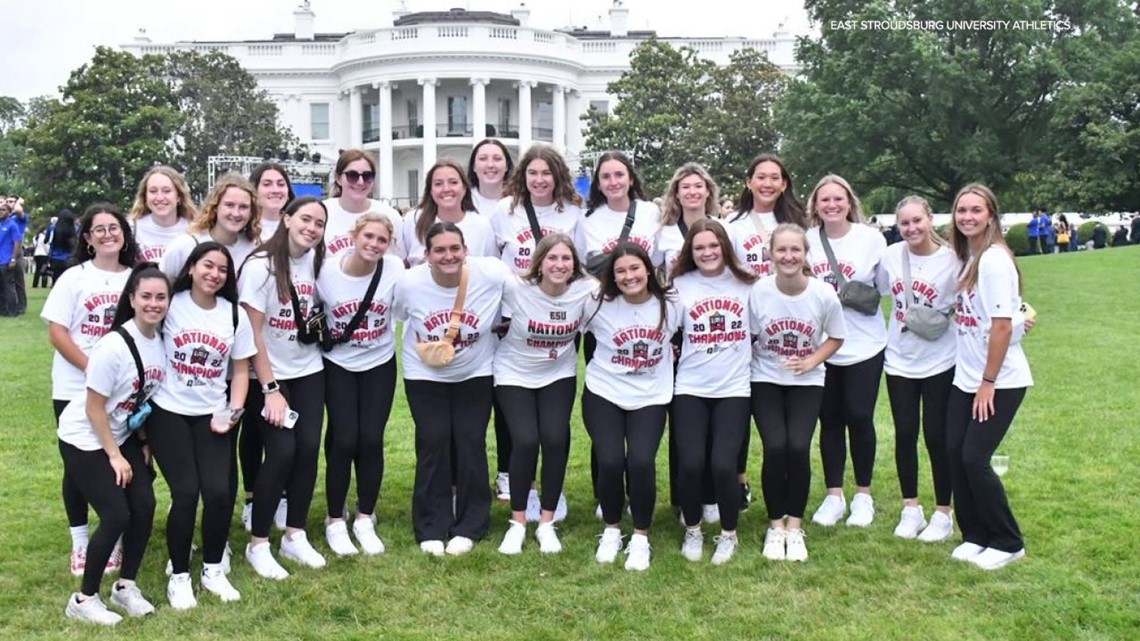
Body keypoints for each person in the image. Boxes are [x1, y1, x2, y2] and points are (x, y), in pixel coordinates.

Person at [148, 242, 256, 608]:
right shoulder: (170, 305)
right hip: (169, 411)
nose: (214, 274)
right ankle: (179, 575)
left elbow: (241, 370)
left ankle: (212, 569)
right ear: (192, 268)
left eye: (222, 270)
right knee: (185, 492)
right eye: (207, 266)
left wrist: (234, 411)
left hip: (212, 413)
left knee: (219, 492)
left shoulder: (233, 314)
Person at [59, 262, 169, 625]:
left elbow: (139, 400)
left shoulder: (160, 341)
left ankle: (126, 587)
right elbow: (93, 408)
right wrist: (114, 456)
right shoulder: (113, 345)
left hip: (121, 435)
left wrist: (142, 444)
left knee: (145, 504)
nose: (154, 303)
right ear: (132, 300)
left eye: (161, 297)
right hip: (84, 438)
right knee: (116, 514)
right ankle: (84, 598)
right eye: (146, 296)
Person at [393, 222, 511, 556]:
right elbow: (401, 314)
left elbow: (525, 290)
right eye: (440, 250)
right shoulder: (409, 282)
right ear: (427, 255)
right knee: (433, 442)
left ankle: (471, 525)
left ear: (465, 250)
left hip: (475, 372)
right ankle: (431, 524)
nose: (449, 256)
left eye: (455, 249)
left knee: (471, 442)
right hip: (425, 375)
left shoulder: (490, 274)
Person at [42, 203, 139, 577]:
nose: (107, 234)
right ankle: (81, 540)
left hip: (121, 392)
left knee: (113, 459)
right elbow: (57, 331)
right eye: (98, 229)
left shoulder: (134, 278)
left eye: (114, 228)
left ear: (124, 234)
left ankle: (112, 531)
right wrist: (93, 370)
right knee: (78, 464)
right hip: (74, 385)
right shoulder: (74, 278)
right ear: (87, 238)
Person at [490, 144, 585, 505]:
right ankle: (522, 487)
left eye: (547, 173)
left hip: (560, 318)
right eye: (533, 173)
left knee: (554, 423)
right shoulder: (505, 210)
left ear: (558, 175)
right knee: (520, 422)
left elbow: (582, 266)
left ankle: (552, 494)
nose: (540, 179)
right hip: (518, 315)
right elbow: (493, 263)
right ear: (522, 176)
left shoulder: (574, 212)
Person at [238, 197, 327, 579]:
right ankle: (258, 543)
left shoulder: (316, 261)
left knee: (308, 449)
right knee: (281, 452)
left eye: (319, 223)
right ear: (286, 219)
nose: (312, 228)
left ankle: (294, 534)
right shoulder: (260, 266)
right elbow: (252, 333)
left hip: (308, 369)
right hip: (268, 375)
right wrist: (270, 387)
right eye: (305, 219)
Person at [945, 184, 1032, 570]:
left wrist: (988, 382)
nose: (967, 217)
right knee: (953, 454)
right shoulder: (969, 258)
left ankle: (1008, 540)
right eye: (961, 210)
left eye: (976, 210)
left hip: (998, 381)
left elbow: (1000, 326)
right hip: (965, 379)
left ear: (991, 216)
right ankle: (976, 535)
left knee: (974, 458)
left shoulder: (994, 260)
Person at [494, 233, 594, 554]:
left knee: (554, 439)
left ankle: (547, 522)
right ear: (539, 262)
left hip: (557, 374)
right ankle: (518, 522)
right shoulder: (515, 289)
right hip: (514, 373)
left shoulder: (586, 291)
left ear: (574, 264)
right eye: (552, 258)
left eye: (566, 259)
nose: (559, 265)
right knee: (524, 440)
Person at [750, 223, 845, 562]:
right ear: (770, 254)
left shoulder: (822, 293)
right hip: (765, 379)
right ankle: (776, 525)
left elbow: (836, 336)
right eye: (781, 250)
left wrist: (812, 360)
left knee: (798, 446)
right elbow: (747, 337)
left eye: (795, 250)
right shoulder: (758, 291)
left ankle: (795, 525)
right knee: (776, 447)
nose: (788, 256)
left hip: (807, 381)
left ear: (805, 254)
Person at [583, 243, 681, 572]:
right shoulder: (596, 304)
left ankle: (640, 536)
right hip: (604, 392)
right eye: (620, 271)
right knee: (610, 461)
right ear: (612, 276)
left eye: (635, 268)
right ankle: (611, 529)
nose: (629, 276)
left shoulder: (671, 303)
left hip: (651, 396)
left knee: (640, 461)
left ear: (648, 269)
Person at [316, 213, 405, 556]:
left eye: (382, 240)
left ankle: (365, 516)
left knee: (370, 439)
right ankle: (335, 518)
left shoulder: (394, 269)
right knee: (343, 438)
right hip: (338, 364)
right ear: (354, 235)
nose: (374, 244)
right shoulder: (327, 271)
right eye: (368, 236)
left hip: (378, 362)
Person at [669, 219, 755, 565]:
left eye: (713, 245)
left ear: (725, 247)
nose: (707, 252)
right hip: (690, 386)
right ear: (690, 251)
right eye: (699, 247)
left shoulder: (748, 284)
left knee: (723, 464)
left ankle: (729, 534)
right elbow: (664, 329)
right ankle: (693, 530)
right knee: (690, 464)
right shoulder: (680, 284)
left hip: (733, 388)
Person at [804, 175, 888, 528]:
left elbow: (883, 286)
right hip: (822, 346)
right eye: (825, 200)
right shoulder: (808, 240)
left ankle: (864, 494)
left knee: (859, 416)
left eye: (838, 199)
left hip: (864, 343)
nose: (832, 206)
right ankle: (834, 494)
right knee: (830, 420)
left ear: (849, 201)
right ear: (815, 205)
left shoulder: (870, 239)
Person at [877, 196, 960, 542]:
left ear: (930, 219)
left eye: (916, 221)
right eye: (904, 224)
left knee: (937, 436)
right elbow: (880, 291)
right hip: (899, 359)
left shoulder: (953, 260)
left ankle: (944, 511)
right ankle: (911, 507)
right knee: (905, 433)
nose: (911, 229)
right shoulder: (891, 256)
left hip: (941, 359)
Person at [160, 173, 261, 280]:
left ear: (251, 212)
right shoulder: (185, 246)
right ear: (215, 206)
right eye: (229, 205)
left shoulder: (253, 250)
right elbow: (163, 285)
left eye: (243, 207)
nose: (236, 213)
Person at [727, 154, 809, 278]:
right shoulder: (732, 223)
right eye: (761, 177)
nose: (767, 184)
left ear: (783, 184)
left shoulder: (799, 222)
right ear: (749, 182)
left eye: (775, 178)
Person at [401, 159, 497, 266]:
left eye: (453, 182)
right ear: (430, 191)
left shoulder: (482, 225)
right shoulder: (413, 221)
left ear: (464, 188)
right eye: (438, 184)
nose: (446, 189)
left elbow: (491, 267)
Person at [581, 151, 664, 268]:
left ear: (631, 179)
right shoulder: (585, 220)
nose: (613, 182)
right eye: (606, 177)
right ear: (598, 184)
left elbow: (657, 260)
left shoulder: (651, 212)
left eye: (619, 175)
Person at [322, 149, 405, 262]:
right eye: (352, 175)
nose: (360, 182)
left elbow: (399, 260)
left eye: (367, 176)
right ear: (338, 178)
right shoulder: (322, 212)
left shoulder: (390, 216)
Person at [128, 166, 198, 263]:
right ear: (145, 197)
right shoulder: (131, 229)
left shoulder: (195, 231)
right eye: (153, 191)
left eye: (166, 191)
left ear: (179, 196)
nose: (159, 197)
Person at [467, 138, 515, 216]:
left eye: (497, 159)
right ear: (474, 166)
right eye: (483, 159)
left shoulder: (519, 202)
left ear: (507, 166)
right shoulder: (462, 201)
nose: (490, 165)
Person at [250, 162, 295, 242]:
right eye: (267, 184)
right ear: (254, 190)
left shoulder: (297, 227)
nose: (275, 190)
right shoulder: (243, 228)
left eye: (281, 184)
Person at [0, 202, 19, 316]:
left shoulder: (12, 225)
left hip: (6, 261)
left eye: (3, 210)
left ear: (9, 212)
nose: (1, 212)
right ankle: (2, 310)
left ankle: (12, 311)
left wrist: (13, 259)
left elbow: (17, 242)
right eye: (0, 210)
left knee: (9, 287)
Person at [49, 210, 78, 281]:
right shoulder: (73, 229)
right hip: (69, 259)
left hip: (55, 258)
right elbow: (74, 245)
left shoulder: (53, 228)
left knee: (56, 282)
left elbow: (48, 241)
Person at [33, 223, 51, 287]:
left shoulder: (35, 237)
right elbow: (46, 246)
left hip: (37, 254)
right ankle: (44, 284)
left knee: (37, 269)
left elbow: (35, 245)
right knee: (44, 269)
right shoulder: (44, 237)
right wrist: (48, 253)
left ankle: (35, 284)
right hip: (43, 254)